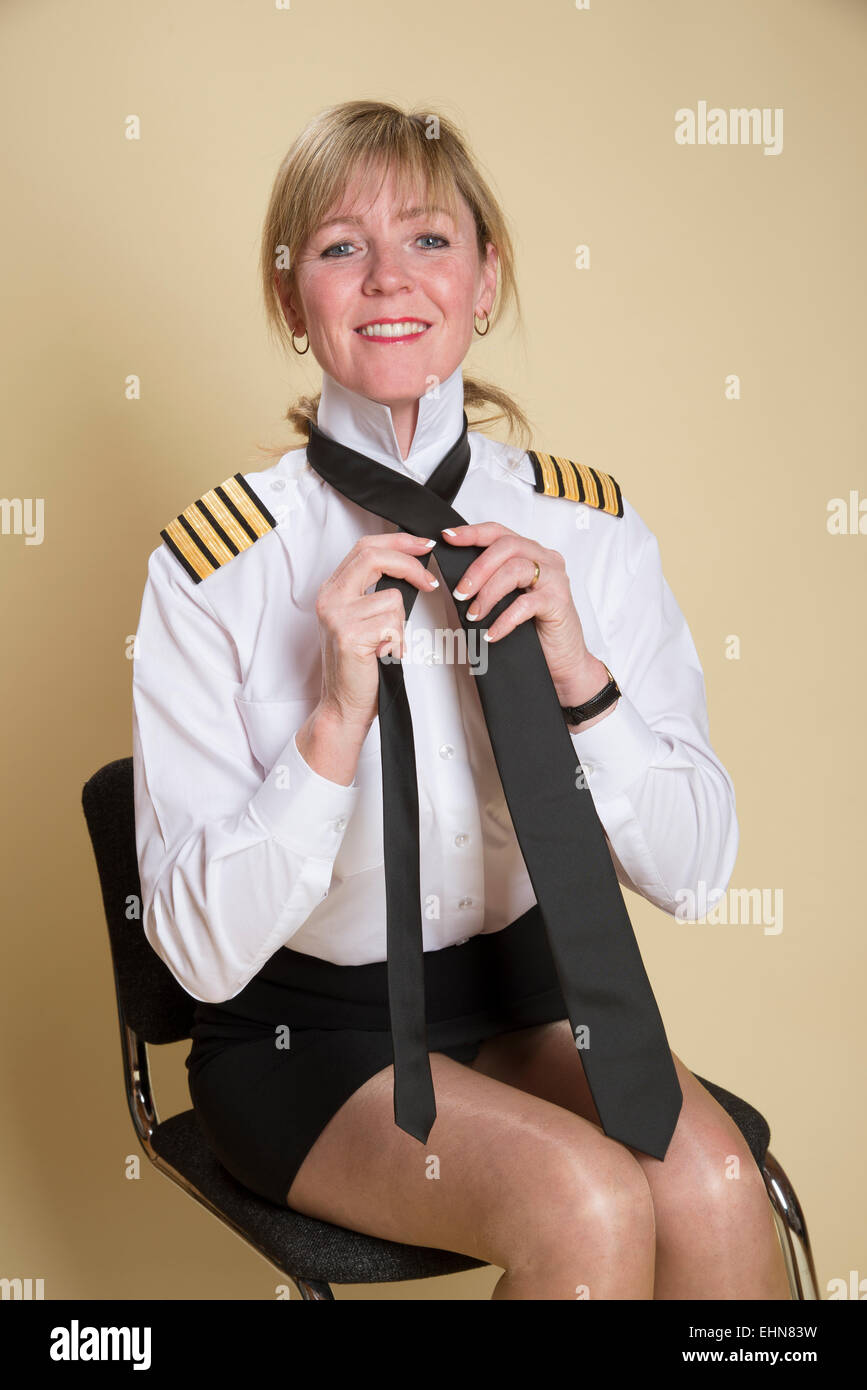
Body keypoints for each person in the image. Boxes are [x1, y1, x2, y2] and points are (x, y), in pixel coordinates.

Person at [132, 99, 790, 1299]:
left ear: (487, 281)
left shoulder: (583, 523)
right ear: (293, 301)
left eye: (430, 240)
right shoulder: (212, 565)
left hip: (527, 992)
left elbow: (697, 873)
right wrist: (332, 725)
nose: (389, 277)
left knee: (720, 1185)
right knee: (586, 1200)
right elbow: (198, 955)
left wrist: (584, 682)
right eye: (339, 246)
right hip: (306, 1032)